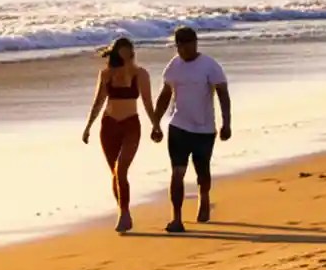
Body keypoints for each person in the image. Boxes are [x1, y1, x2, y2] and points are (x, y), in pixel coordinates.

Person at [154, 26, 231, 233]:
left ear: (195, 43)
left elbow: (223, 93)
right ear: (177, 46)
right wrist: (155, 122)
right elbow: (165, 94)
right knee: (177, 172)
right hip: (179, 126)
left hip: (204, 129)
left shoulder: (209, 65)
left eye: (189, 45)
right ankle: (176, 219)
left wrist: (226, 123)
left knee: (202, 170)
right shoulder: (173, 66)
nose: (185, 50)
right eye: (181, 46)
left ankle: (204, 197)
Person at [82, 37, 160, 233]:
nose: (125, 55)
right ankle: (123, 212)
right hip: (108, 126)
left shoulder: (140, 74)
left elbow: (148, 103)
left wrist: (156, 125)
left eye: (129, 51)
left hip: (131, 126)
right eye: (122, 51)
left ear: (132, 52)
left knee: (121, 169)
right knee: (115, 174)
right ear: (116, 52)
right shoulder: (106, 74)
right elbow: (98, 101)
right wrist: (88, 126)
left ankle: (124, 214)